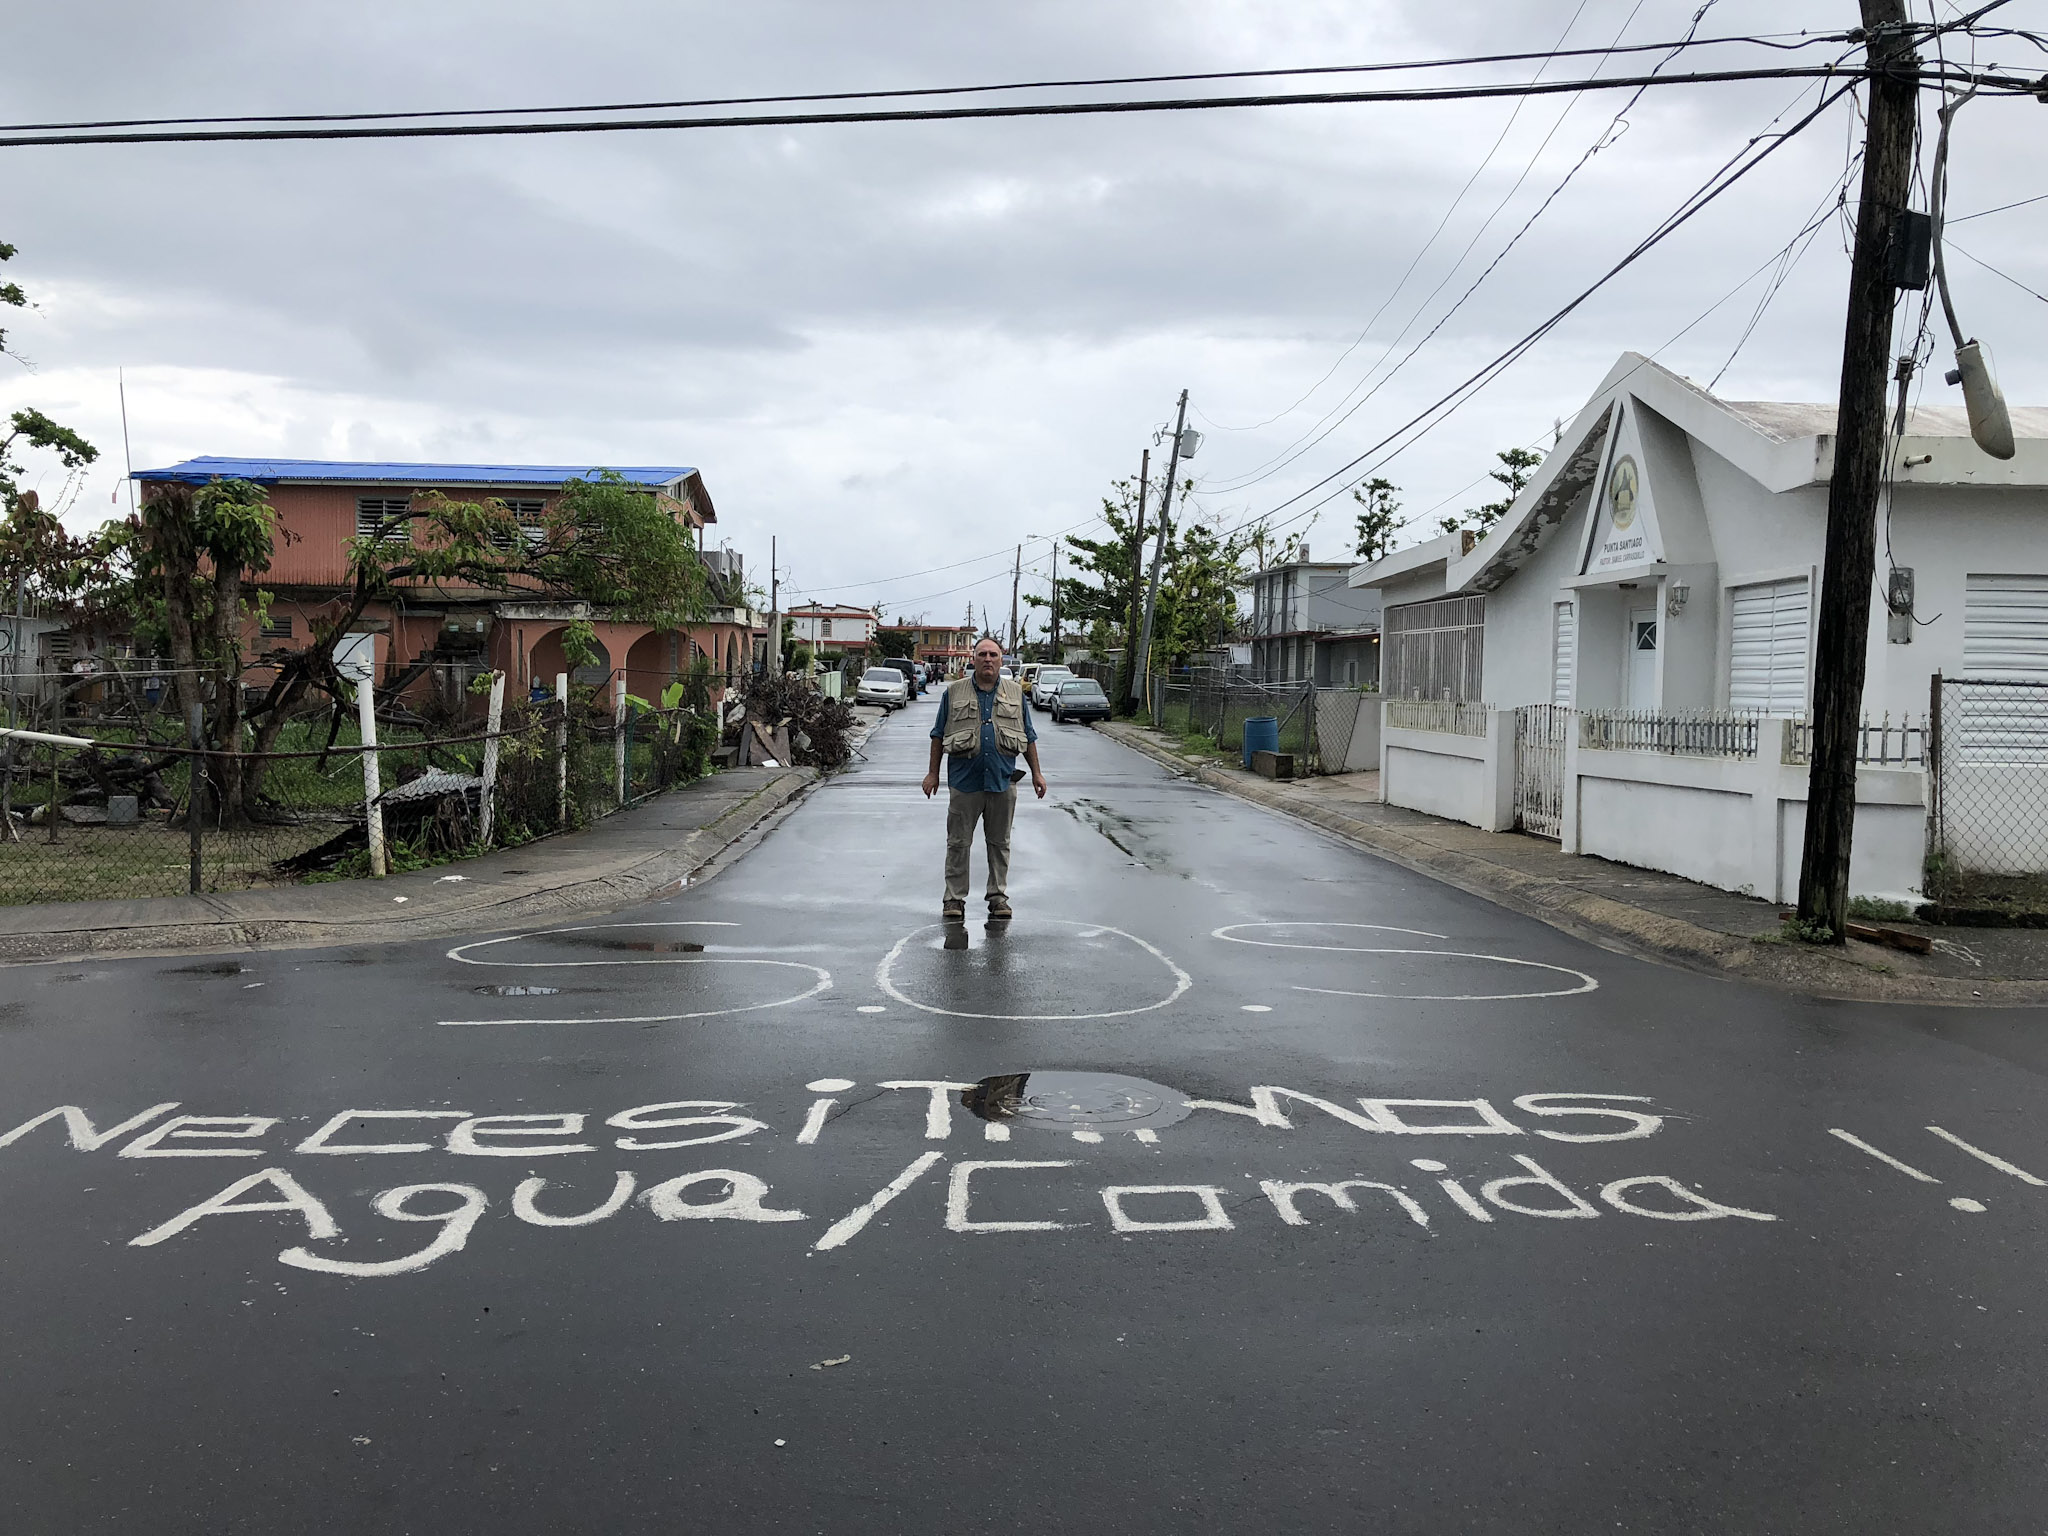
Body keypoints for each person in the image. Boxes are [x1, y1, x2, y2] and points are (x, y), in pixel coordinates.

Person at [922, 635, 1047, 922]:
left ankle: (998, 897)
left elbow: (1028, 737)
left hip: (1003, 781)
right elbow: (938, 734)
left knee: (999, 843)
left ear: (1001, 659)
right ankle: (954, 899)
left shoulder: (1016, 693)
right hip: (965, 782)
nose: (988, 659)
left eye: (993, 654)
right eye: (982, 654)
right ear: (973, 659)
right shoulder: (953, 692)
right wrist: (933, 773)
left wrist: (1037, 773)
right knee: (958, 843)